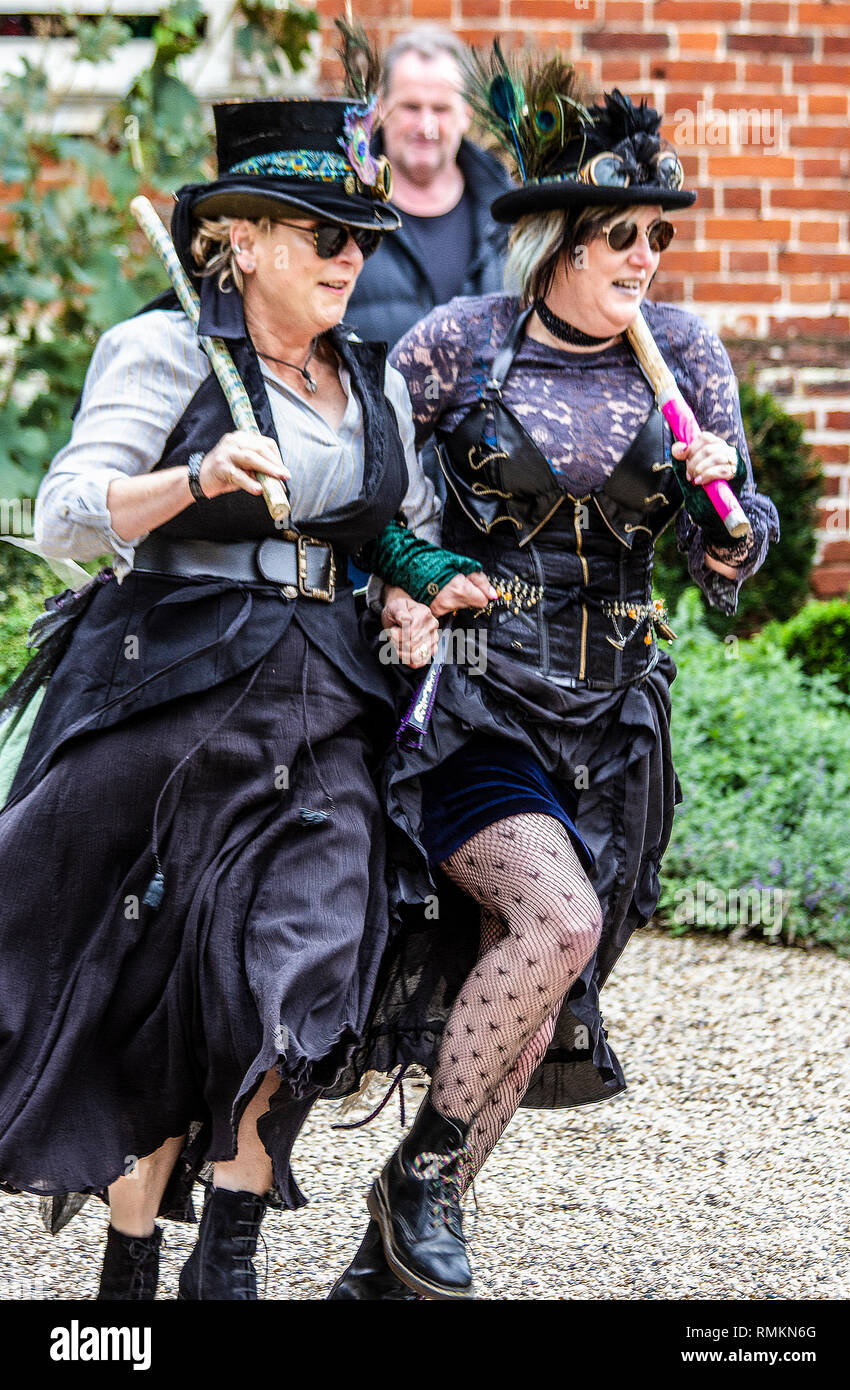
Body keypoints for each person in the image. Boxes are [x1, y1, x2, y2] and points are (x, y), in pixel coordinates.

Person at [0, 91, 492, 1301]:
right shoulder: (161, 351)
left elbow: (393, 536)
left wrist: (426, 588)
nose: (350, 257)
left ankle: (228, 1261)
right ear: (245, 240)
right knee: (159, 990)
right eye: (324, 234)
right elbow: (63, 517)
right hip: (169, 698)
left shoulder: (366, 377)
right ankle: (128, 1282)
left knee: (298, 979)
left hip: (326, 707)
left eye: (361, 236)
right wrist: (191, 476)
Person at [328, 67, 780, 1300]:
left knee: (533, 989)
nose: (644, 257)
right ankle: (420, 1174)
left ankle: (388, 1265)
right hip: (477, 703)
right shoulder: (454, 344)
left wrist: (733, 529)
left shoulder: (682, 353)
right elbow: (373, 506)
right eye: (618, 236)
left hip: (617, 717)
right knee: (555, 920)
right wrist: (403, 584)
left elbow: (729, 537)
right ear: (554, 242)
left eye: (656, 236)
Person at [346, 26, 511, 350]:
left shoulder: (508, 216)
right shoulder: (343, 209)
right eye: (410, 107)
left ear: (466, 114)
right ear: (381, 108)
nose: (426, 126)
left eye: (440, 109)